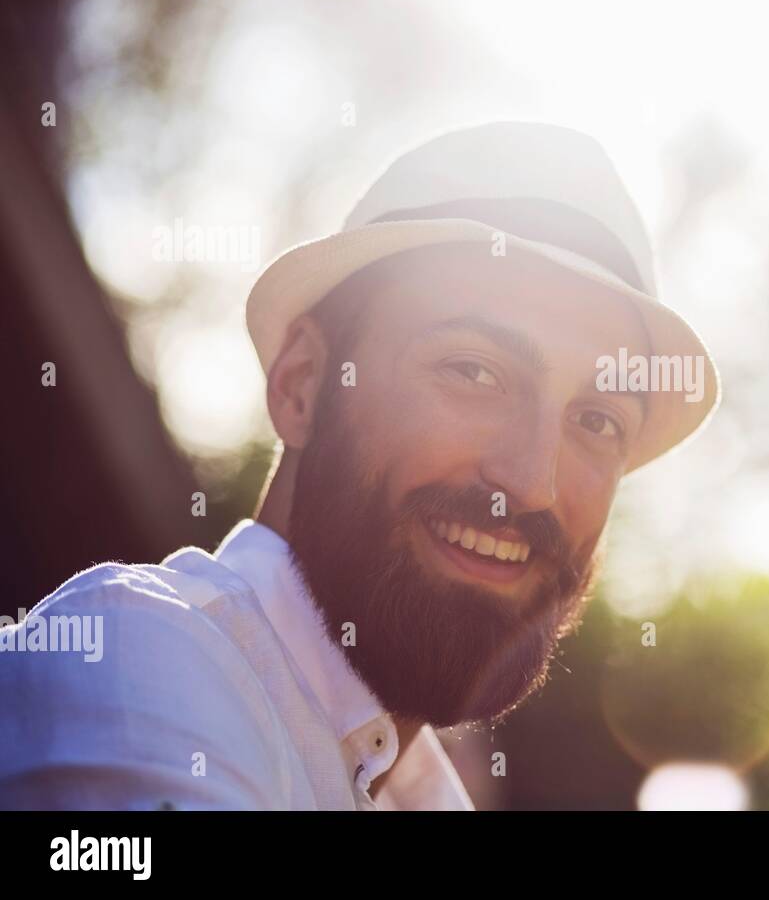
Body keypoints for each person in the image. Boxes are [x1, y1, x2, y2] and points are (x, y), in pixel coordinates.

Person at [0, 121, 720, 809]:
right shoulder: (137, 663)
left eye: (596, 421)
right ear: (303, 385)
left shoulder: (418, 789)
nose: (532, 482)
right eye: (473, 371)